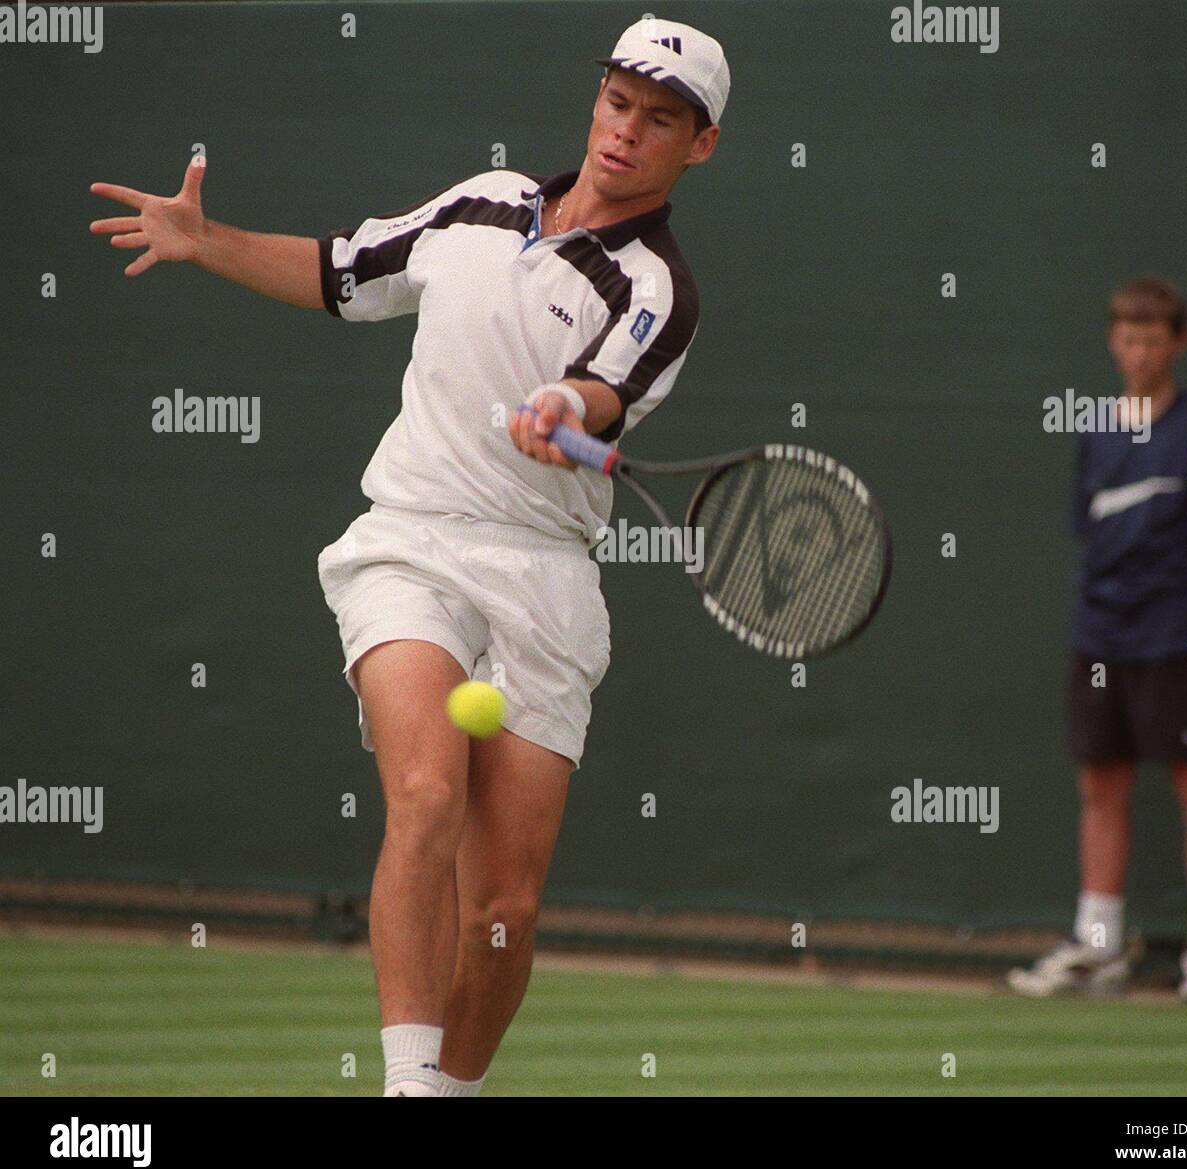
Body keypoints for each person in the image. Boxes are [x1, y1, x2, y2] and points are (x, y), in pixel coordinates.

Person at [90, 18, 729, 1093]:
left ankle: (448, 1089)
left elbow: (605, 391)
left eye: (661, 119)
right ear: (598, 99)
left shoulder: (659, 289)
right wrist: (209, 242)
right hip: (413, 542)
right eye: (620, 102)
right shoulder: (479, 200)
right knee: (426, 792)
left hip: (545, 574)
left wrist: (565, 402)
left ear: (696, 146)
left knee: (502, 911)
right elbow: (345, 273)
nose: (628, 130)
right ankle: (402, 1080)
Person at [1009, 277, 1187, 1003]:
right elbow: (1093, 530)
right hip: (1101, 632)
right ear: (1114, 343)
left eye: (1153, 339)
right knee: (1100, 783)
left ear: (1177, 343)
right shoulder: (1096, 427)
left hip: (1180, 635)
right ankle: (1101, 945)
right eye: (1129, 338)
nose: (1140, 353)